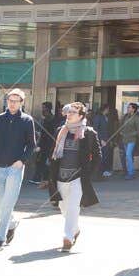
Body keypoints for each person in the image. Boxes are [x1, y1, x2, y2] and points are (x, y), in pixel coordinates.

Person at [47, 101, 101, 251]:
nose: (69, 114)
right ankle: (75, 229)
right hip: (60, 176)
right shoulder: (60, 130)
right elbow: (52, 153)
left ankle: (68, 238)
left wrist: (88, 174)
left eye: (73, 112)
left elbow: (97, 156)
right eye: (68, 112)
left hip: (78, 177)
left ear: (81, 116)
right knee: (63, 207)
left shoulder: (89, 133)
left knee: (73, 207)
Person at [0, 89, 34, 250]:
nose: (12, 103)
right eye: (10, 100)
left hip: (15, 168)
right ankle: (12, 223)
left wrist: (22, 160)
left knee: (7, 204)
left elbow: (31, 145)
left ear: (21, 102)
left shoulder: (27, 120)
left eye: (16, 101)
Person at [118, 101, 139, 180]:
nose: (127, 108)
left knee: (128, 155)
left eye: (129, 107)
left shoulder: (136, 118)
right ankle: (128, 171)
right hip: (125, 139)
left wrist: (131, 134)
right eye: (128, 107)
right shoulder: (126, 117)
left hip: (132, 140)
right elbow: (122, 126)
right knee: (128, 156)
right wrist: (122, 132)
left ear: (133, 109)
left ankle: (131, 173)